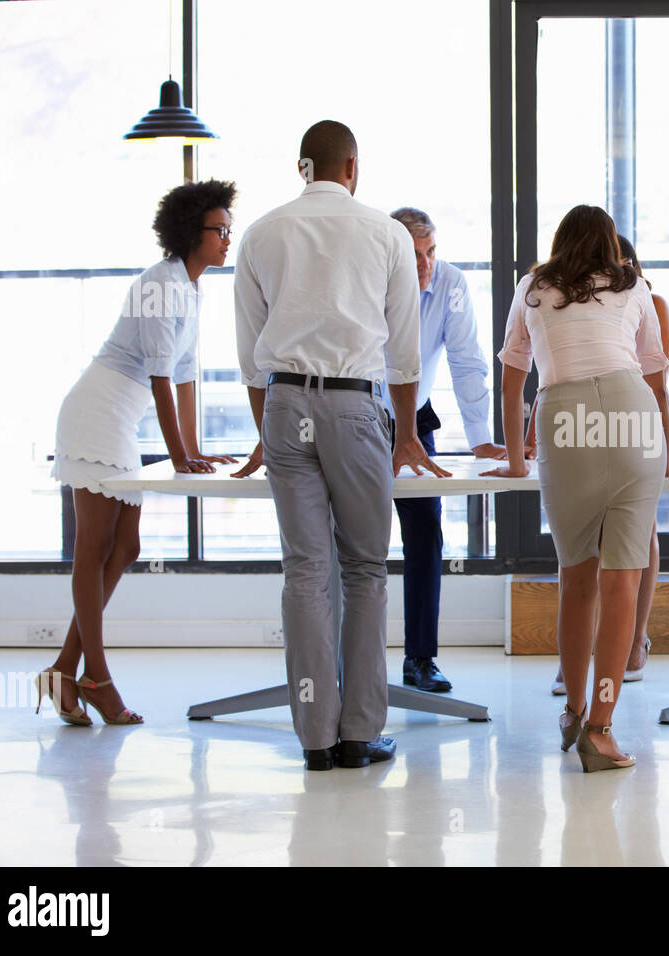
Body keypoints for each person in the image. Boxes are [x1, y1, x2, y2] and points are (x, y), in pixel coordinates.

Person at [232, 120, 448, 771]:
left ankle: (314, 738)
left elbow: (249, 355)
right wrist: (406, 434)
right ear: (351, 166)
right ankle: (359, 732)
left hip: (285, 402)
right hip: (356, 406)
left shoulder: (261, 233)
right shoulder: (386, 233)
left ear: (304, 167)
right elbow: (405, 352)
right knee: (363, 570)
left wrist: (265, 434)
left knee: (305, 570)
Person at [485, 205, 669, 772]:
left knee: (576, 579)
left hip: (564, 418)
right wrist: (666, 449)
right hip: (633, 416)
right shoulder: (635, 287)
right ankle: (601, 729)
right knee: (622, 581)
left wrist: (518, 460)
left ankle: (572, 714)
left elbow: (512, 377)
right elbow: (654, 376)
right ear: (609, 245)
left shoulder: (534, 286)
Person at [41, 179, 239, 727]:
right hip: (97, 414)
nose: (228, 238)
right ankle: (95, 679)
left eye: (229, 229)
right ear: (187, 231)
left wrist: (195, 450)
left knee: (125, 546)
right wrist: (178, 459)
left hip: (119, 422)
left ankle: (65, 668)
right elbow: (157, 377)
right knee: (95, 547)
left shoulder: (192, 289)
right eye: (217, 230)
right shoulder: (159, 283)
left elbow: (185, 374)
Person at [545, 234, 669, 694]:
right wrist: (524, 444)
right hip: (591, 422)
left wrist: (666, 446)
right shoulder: (558, 297)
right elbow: (555, 370)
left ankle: (634, 641)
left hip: (629, 419)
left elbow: (657, 379)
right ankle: (583, 676)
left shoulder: (644, 298)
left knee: (637, 536)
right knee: (582, 547)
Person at [386, 207, 505, 694]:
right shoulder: (368, 281)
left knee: (425, 535)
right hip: (363, 418)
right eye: (415, 254)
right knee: (358, 541)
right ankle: (349, 664)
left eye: (431, 251)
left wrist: (480, 438)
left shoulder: (451, 284)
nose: (425, 264)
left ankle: (420, 660)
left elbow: (465, 358)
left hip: (417, 420)